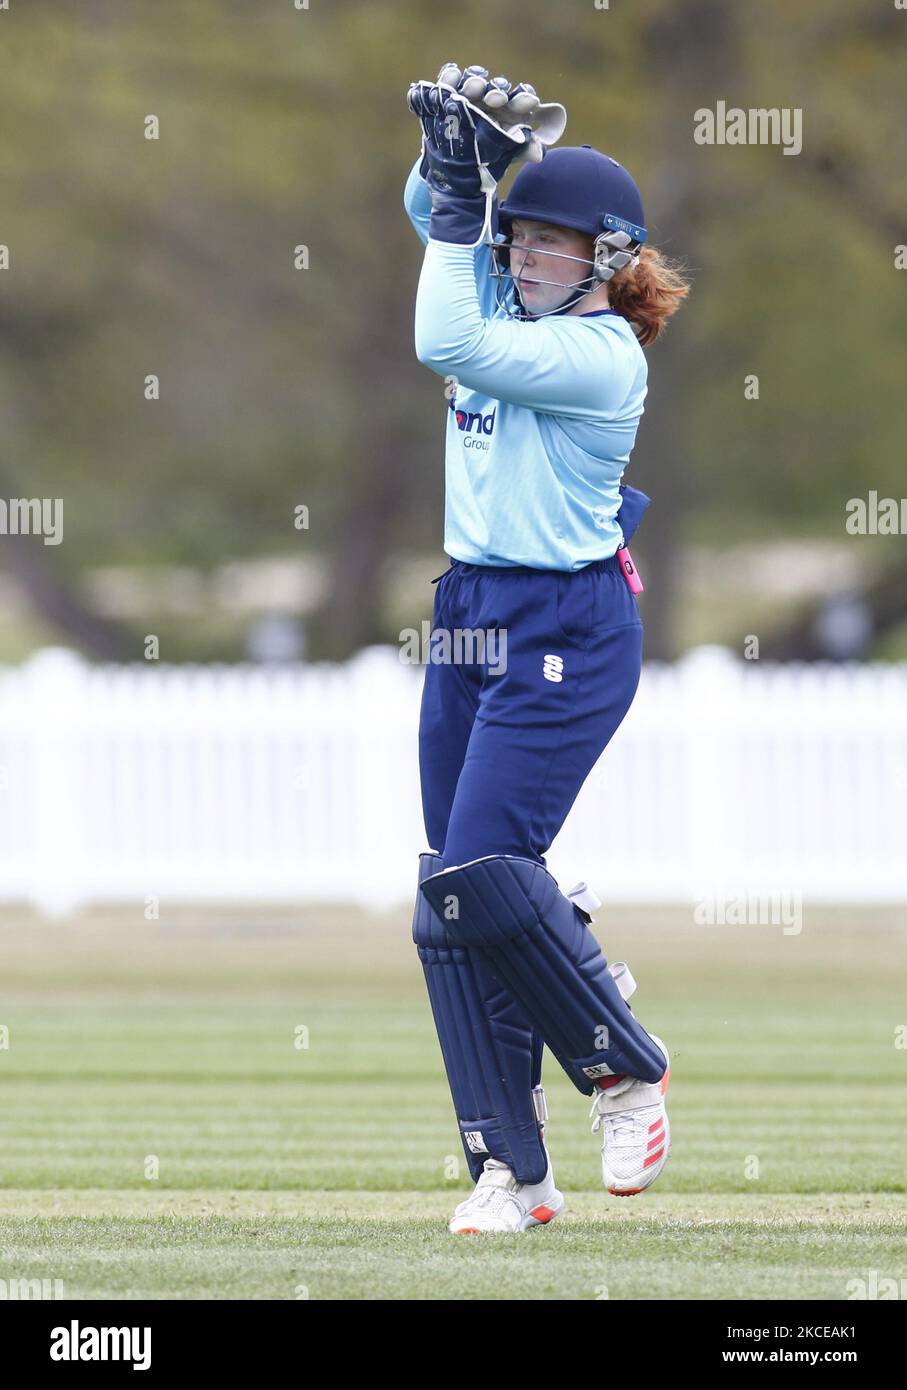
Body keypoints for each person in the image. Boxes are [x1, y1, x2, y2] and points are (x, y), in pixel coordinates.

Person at [404, 65, 689, 1234]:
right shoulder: (511, 301)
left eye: (549, 244)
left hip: (566, 623)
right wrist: (452, 160)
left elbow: (438, 334)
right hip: (470, 606)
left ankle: (622, 1065)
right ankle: (510, 1172)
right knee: (449, 898)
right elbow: (431, 222)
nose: (522, 257)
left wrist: (465, 198)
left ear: (607, 258)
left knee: (480, 868)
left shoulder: (601, 353)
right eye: (515, 237)